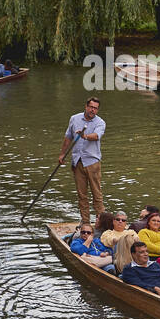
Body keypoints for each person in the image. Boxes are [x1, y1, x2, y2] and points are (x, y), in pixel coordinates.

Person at [60, 97, 106, 226]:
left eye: (95, 108)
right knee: (82, 195)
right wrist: (62, 154)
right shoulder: (74, 118)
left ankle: (100, 222)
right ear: (86, 106)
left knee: (97, 194)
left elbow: (96, 136)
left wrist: (84, 136)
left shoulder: (100, 122)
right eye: (91, 107)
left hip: (92, 162)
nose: (93, 110)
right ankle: (85, 222)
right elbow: (68, 137)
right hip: (77, 161)